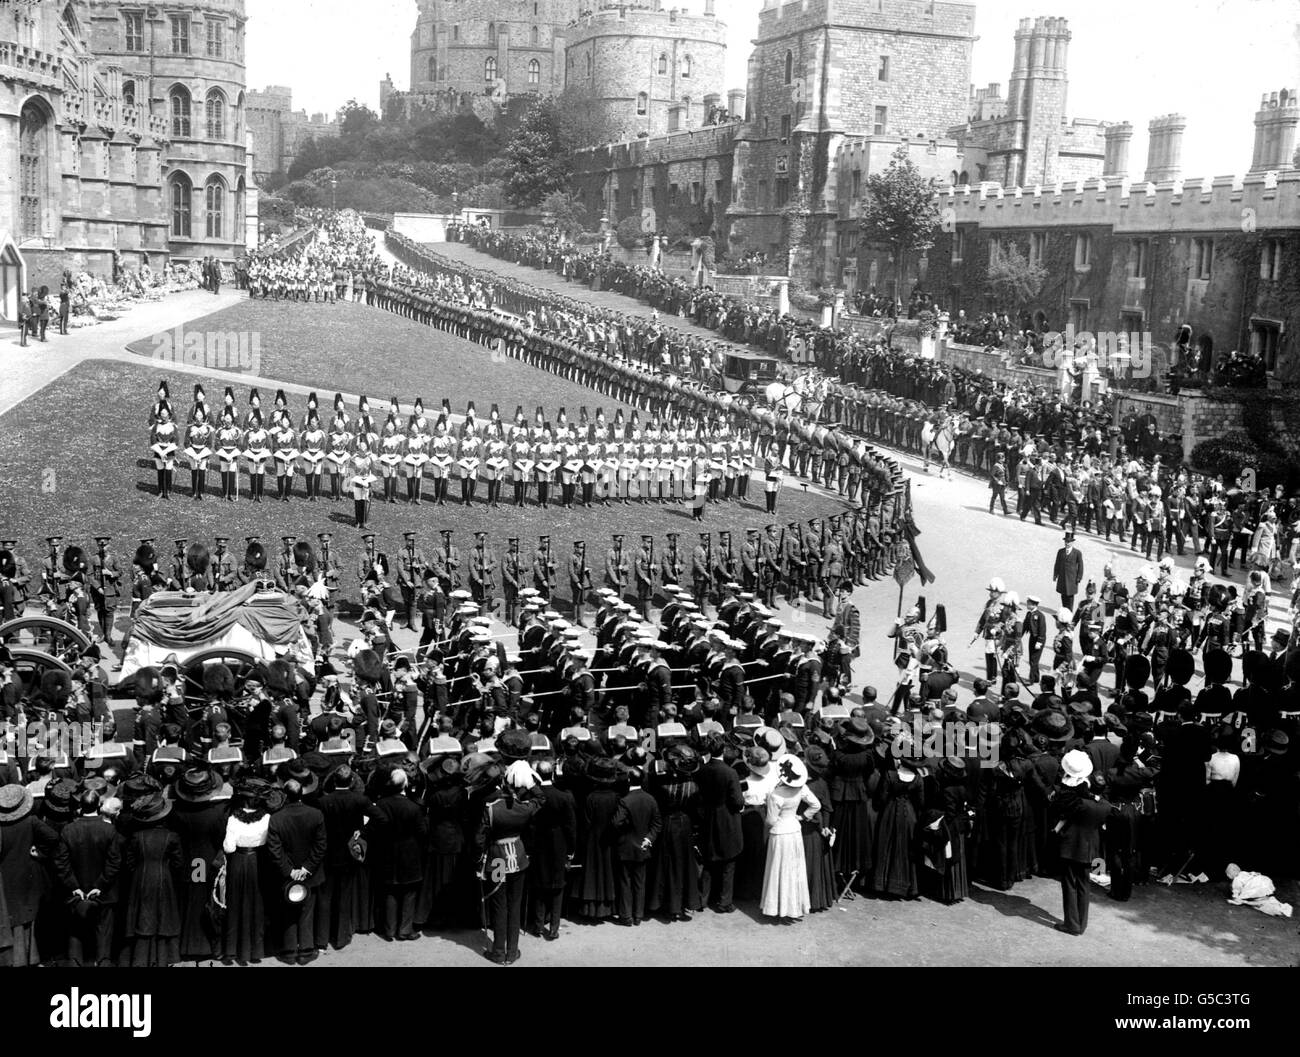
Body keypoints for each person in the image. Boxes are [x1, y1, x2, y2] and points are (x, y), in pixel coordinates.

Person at [476, 758, 542, 965]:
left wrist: (479, 861)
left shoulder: (491, 808)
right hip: (519, 859)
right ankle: (512, 952)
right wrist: (530, 783)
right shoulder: (525, 808)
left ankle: (498, 952)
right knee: (515, 905)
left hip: (497, 860)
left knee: (498, 904)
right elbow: (541, 798)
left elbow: (479, 839)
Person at [55, 789, 121, 967]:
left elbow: (61, 863)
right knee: (104, 930)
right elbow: (114, 862)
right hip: (104, 892)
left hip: (76, 891)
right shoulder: (109, 830)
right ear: (99, 805)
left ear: (80, 806)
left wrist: (73, 886)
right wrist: (100, 885)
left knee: (75, 929)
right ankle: (103, 961)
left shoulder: (68, 830)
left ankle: (75, 962)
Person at [266, 776, 327, 964]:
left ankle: (289, 951)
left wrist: (290, 870)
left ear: (285, 795)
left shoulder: (276, 819)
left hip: (287, 874)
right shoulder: (316, 814)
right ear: (302, 794)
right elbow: (321, 846)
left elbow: (275, 850)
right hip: (311, 873)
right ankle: (307, 950)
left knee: (288, 913)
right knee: (307, 912)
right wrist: (307, 868)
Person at [120, 792, 184, 967]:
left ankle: (140, 957)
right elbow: (179, 864)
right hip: (164, 877)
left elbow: (129, 863)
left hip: (140, 878)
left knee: (142, 916)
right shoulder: (172, 836)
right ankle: (162, 957)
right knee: (163, 916)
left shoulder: (136, 836)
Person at [1055, 750, 1112, 936]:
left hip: (1072, 846)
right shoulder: (1104, 806)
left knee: (1069, 885)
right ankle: (1081, 923)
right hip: (1090, 847)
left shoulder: (1079, 803)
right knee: (1083, 885)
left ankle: (1071, 924)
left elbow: (1062, 808)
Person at [369, 767, 427, 942]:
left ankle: (389, 929)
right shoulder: (414, 807)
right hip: (409, 854)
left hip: (386, 852)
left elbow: (373, 828)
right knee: (409, 892)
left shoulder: (381, 804)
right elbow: (422, 832)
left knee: (390, 891)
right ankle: (405, 929)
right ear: (405, 784)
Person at [760, 756, 821, 921]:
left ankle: (776, 907)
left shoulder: (775, 794)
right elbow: (816, 805)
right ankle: (793, 906)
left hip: (779, 833)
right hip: (794, 831)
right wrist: (802, 817)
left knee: (777, 869)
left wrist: (765, 820)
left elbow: (771, 820)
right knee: (793, 869)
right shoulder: (801, 788)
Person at [221, 781, 271, 964]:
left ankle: (231, 950)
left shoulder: (233, 818)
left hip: (238, 861)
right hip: (257, 862)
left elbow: (229, 847)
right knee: (256, 905)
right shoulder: (266, 818)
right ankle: (254, 951)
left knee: (234, 904)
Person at [611, 754, 662, 927]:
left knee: (625, 883)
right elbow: (657, 823)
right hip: (643, 846)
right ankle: (638, 915)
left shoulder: (625, 801)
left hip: (626, 846)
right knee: (640, 883)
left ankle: (626, 916)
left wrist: (627, 829)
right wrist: (649, 838)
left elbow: (616, 822)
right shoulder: (650, 799)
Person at [695, 733, 743, 913]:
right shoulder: (730, 772)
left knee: (708, 860)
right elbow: (737, 801)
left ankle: (702, 899)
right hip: (727, 819)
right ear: (723, 749)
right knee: (728, 863)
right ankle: (724, 902)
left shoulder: (702, 770)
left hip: (707, 817)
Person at [1053, 532, 1084, 610]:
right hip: (1062, 577)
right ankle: (1064, 610)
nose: (1067, 543)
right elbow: (1057, 563)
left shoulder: (1077, 553)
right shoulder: (1060, 551)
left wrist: (1079, 577)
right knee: (1063, 595)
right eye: (1066, 541)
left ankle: (1069, 611)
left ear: (1073, 542)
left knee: (1070, 596)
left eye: (1069, 541)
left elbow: (1081, 565)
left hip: (1072, 579)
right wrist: (1055, 574)